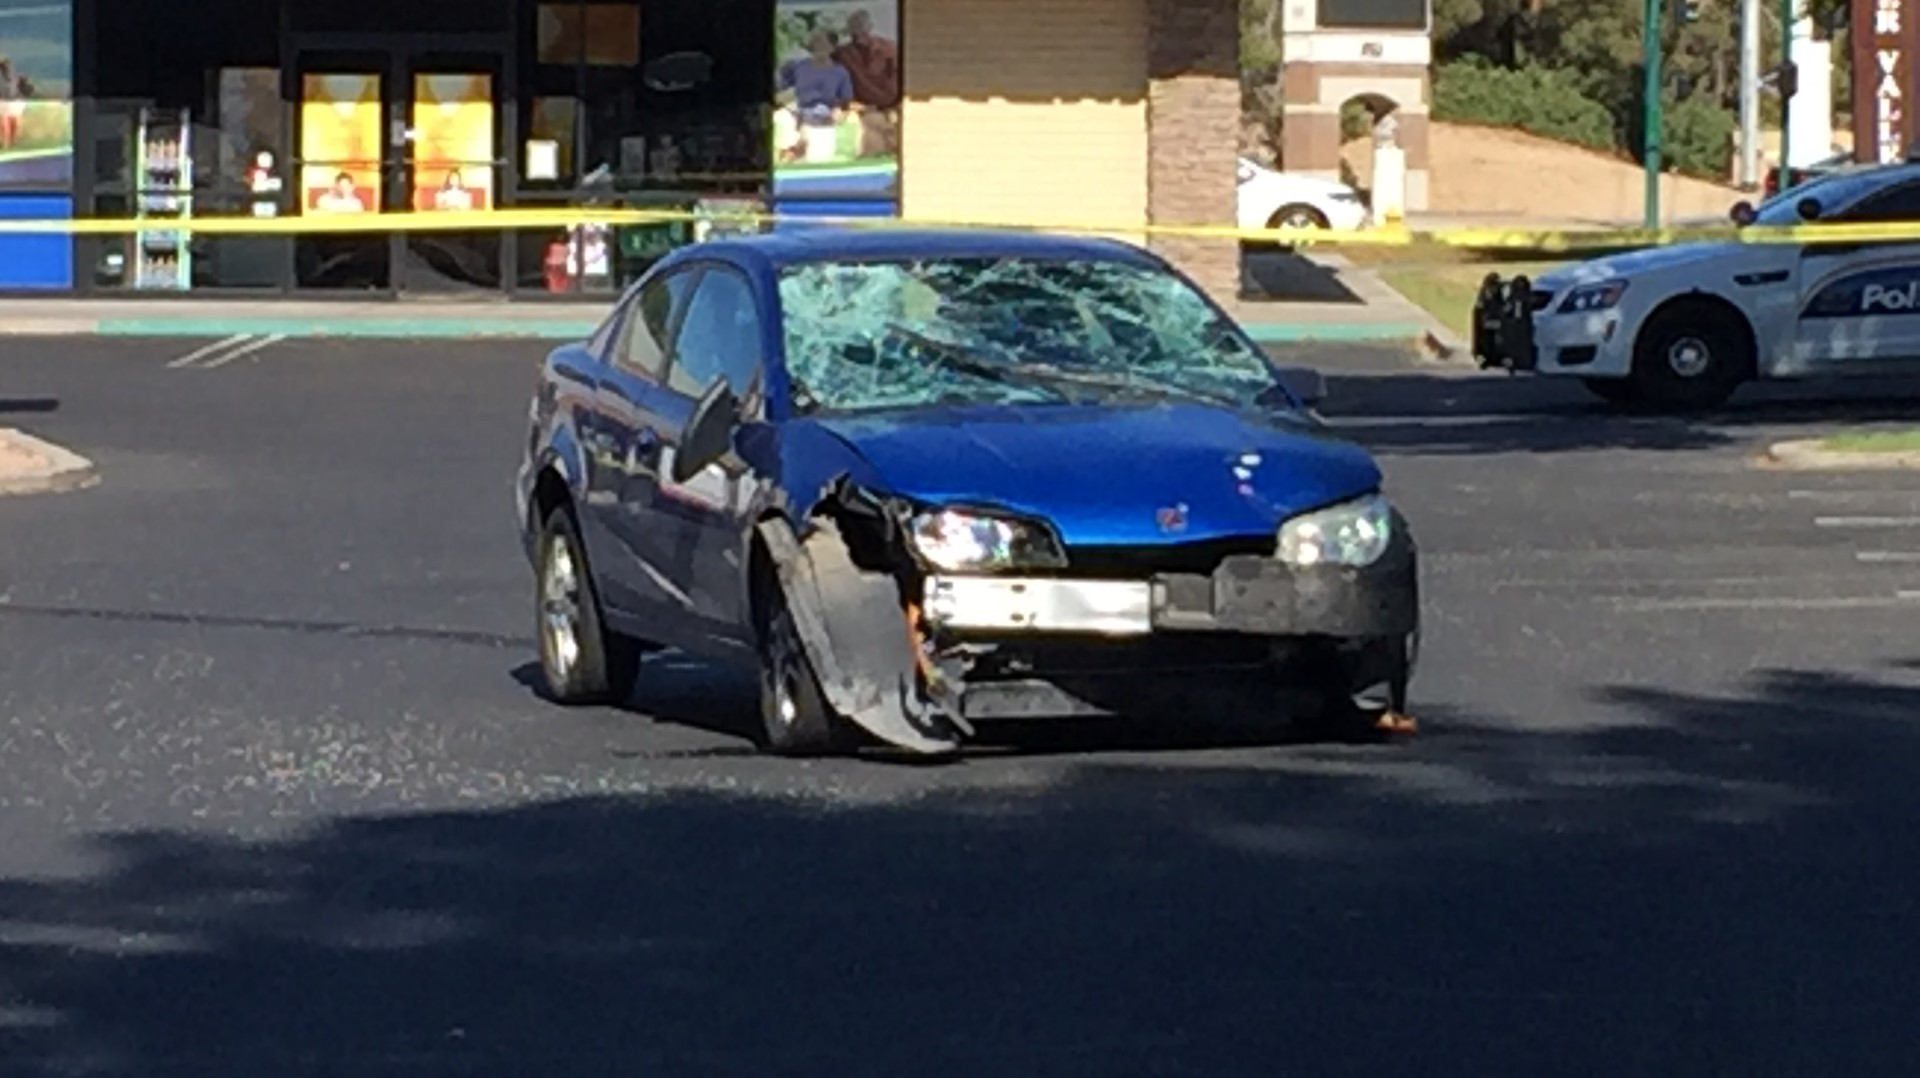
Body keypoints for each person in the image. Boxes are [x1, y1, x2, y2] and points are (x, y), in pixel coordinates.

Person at [773, 30, 853, 164]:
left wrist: (840, 112)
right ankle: (790, 152)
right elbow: (779, 92)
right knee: (781, 117)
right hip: (797, 115)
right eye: (815, 42)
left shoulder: (840, 73)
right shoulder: (797, 66)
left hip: (823, 121)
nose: (817, 46)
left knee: (818, 162)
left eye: (822, 42)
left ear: (832, 48)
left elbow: (846, 102)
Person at [831, 9, 900, 160]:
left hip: (894, 104)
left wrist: (896, 105)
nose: (859, 31)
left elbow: (900, 78)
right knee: (873, 127)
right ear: (849, 30)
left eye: (862, 26)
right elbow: (835, 87)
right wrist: (855, 107)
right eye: (854, 27)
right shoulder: (842, 55)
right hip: (865, 109)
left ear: (870, 26)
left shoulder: (890, 49)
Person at [0, 58, 26, 153]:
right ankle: (5, 143)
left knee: (15, 123)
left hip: (15, 102)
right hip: (3, 101)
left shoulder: (18, 78)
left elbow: (25, 89)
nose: (7, 69)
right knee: (4, 123)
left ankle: (13, 142)